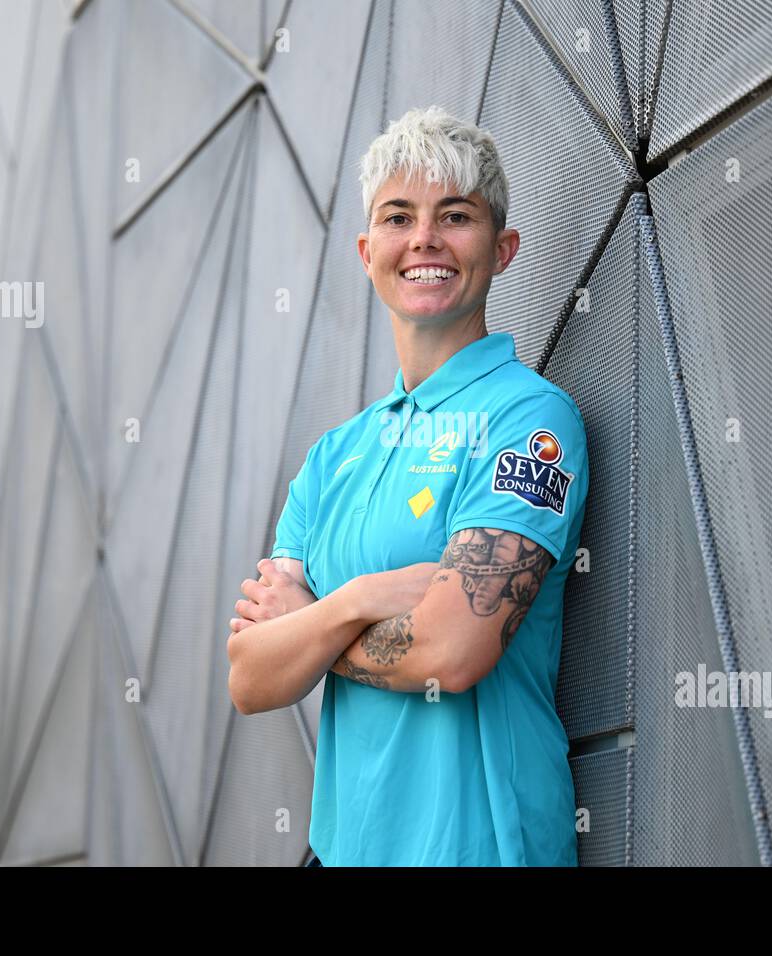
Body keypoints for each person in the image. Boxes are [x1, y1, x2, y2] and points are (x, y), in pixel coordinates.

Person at [226, 105, 589, 867]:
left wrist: (313, 628)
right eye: (400, 217)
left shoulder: (529, 419)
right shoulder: (335, 455)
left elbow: (453, 650)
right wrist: (356, 601)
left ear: (503, 247)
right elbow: (252, 676)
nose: (424, 239)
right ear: (368, 250)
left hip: (476, 848)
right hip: (343, 850)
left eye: (455, 215)